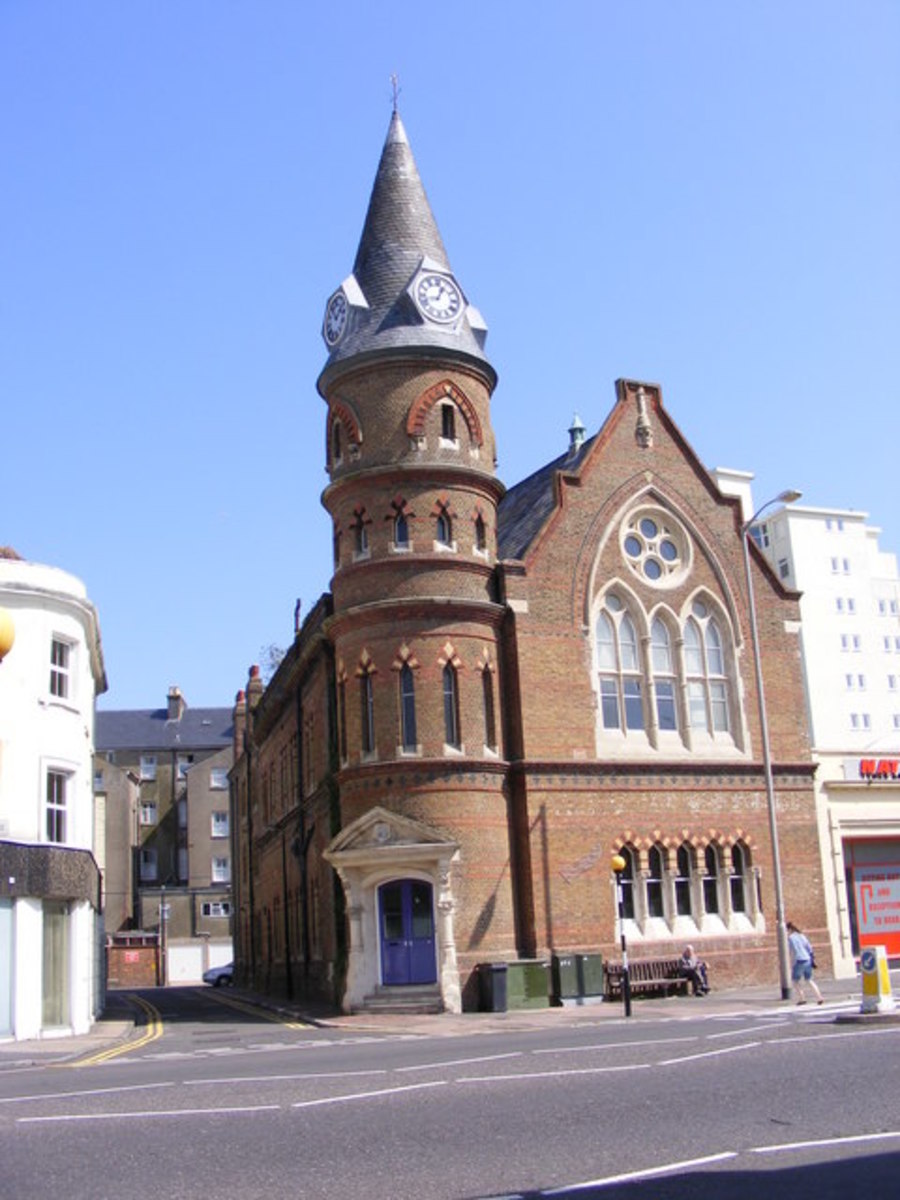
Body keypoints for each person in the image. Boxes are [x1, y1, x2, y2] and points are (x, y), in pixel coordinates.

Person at [786, 921, 823, 1005]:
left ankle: (802, 998)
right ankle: (819, 997)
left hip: (799, 960)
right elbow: (809, 948)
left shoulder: (791, 938)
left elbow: (792, 951)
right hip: (807, 959)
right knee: (809, 979)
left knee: (795, 980)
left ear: (789, 930)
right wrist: (812, 958)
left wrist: (792, 963)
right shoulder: (802, 936)